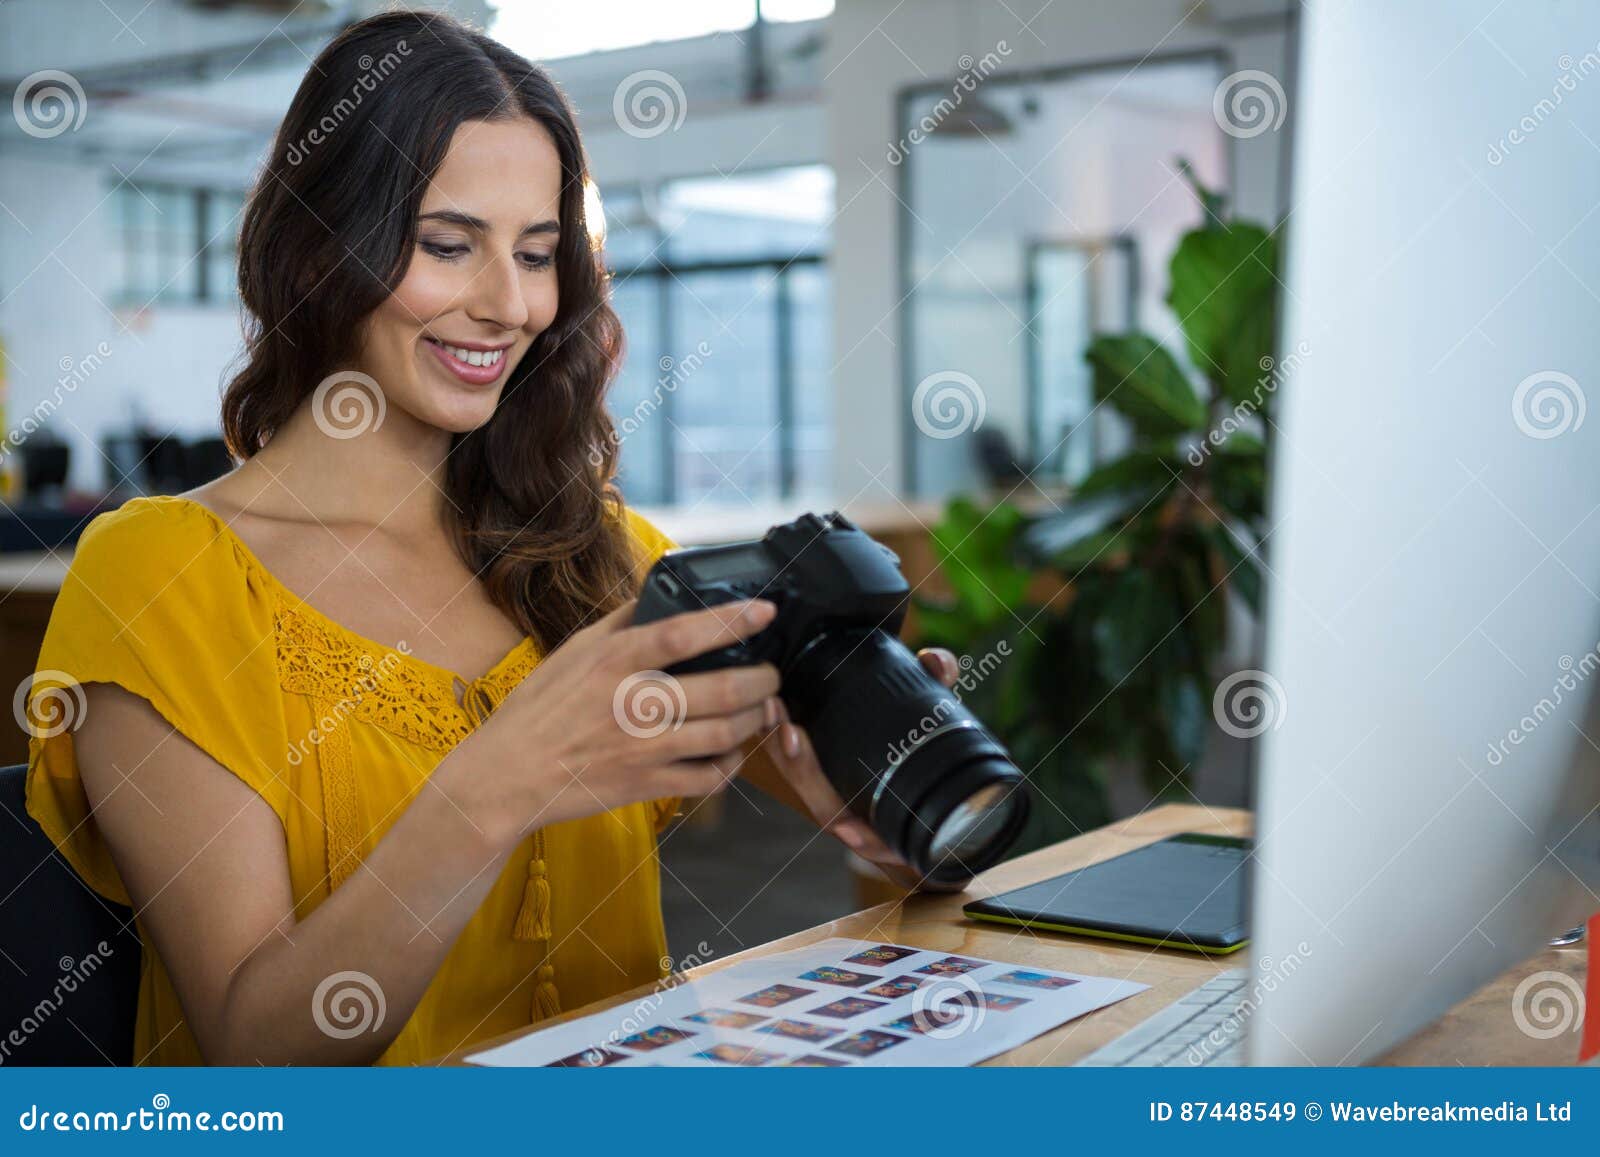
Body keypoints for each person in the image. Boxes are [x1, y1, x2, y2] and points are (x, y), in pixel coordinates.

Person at [22, 11, 962, 1066]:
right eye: (447, 244)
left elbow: (886, 846)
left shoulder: (598, 550)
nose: (508, 304)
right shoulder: (157, 574)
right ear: (318, 244)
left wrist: (889, 791)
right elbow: (259, 1046)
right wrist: (498, 779)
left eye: (536, 253)